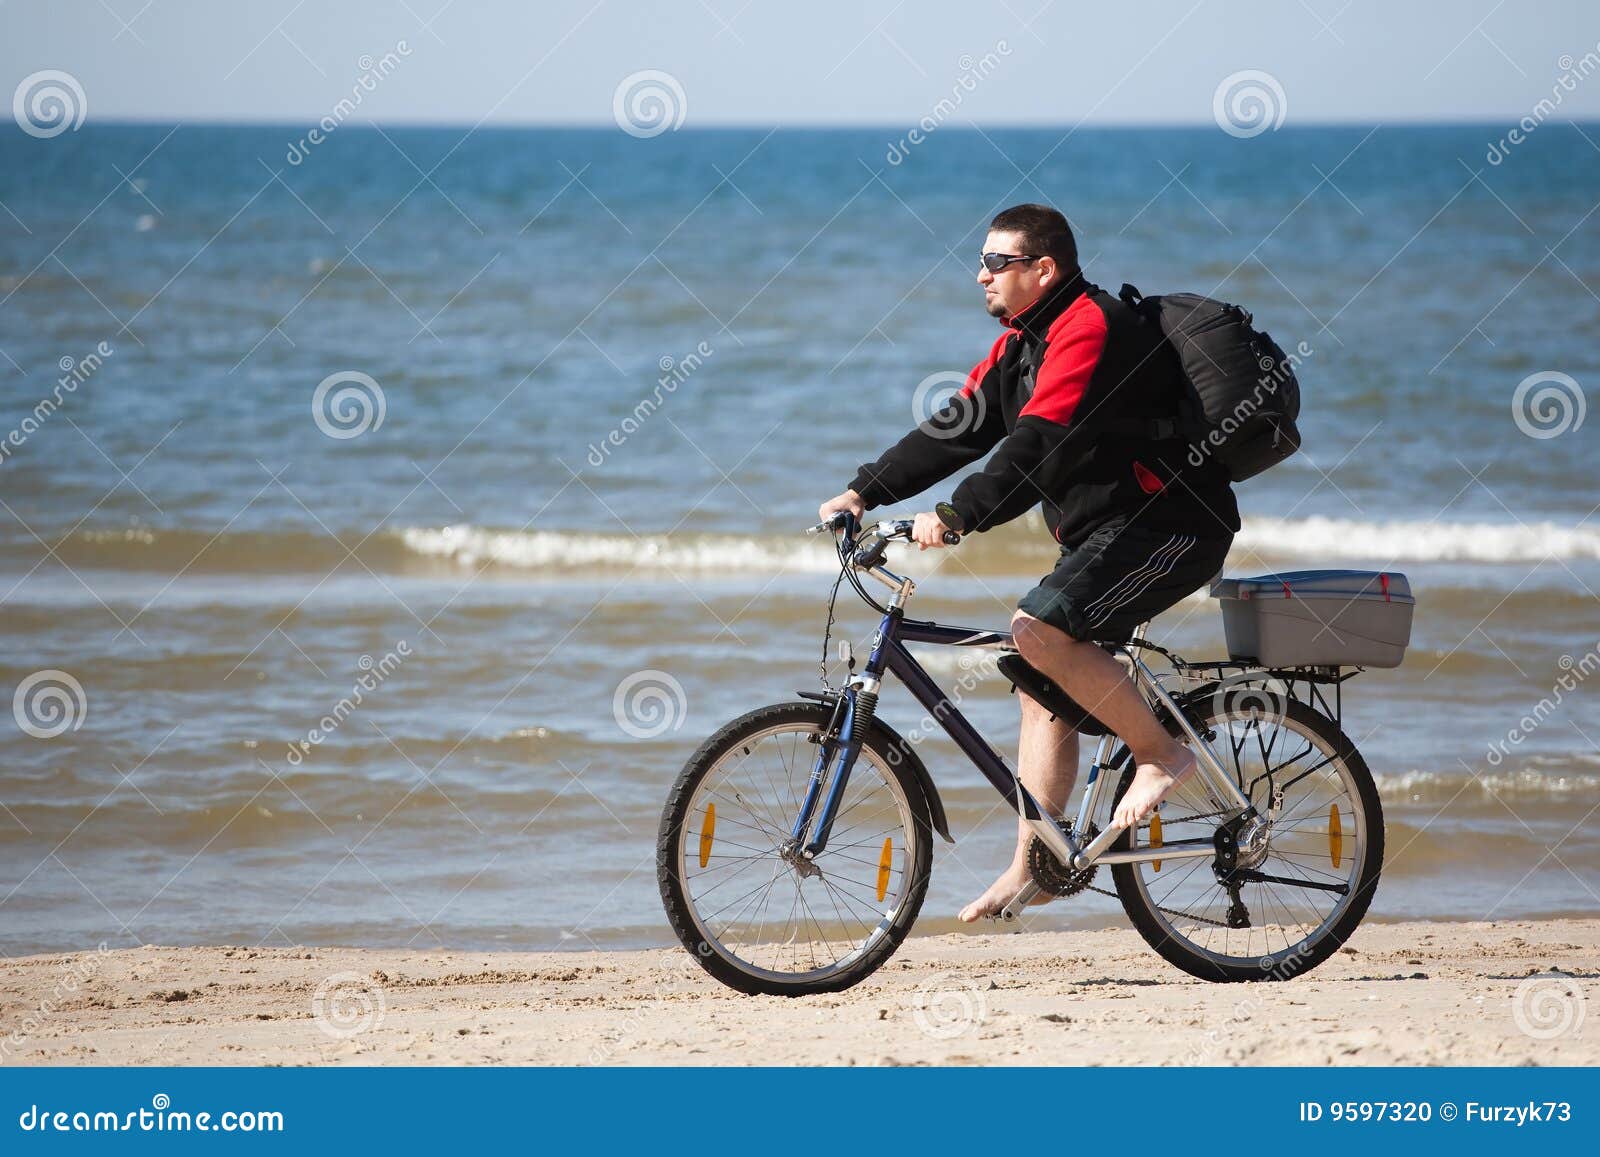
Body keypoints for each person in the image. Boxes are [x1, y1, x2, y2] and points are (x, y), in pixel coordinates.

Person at [817, 203, 1239, 922]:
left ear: (1043, 270)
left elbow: (1039, 445)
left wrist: (958, 515)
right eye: (980, 261)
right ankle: (1035, 864)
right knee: (1040, 674)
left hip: (1168, 526)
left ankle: (1164, 755)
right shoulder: (1022, 344)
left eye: (995, 262)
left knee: (1036, 629)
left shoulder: (1088, 327)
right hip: (1105, 535)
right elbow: (959, 427)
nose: (978, 274)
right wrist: (864, 490)